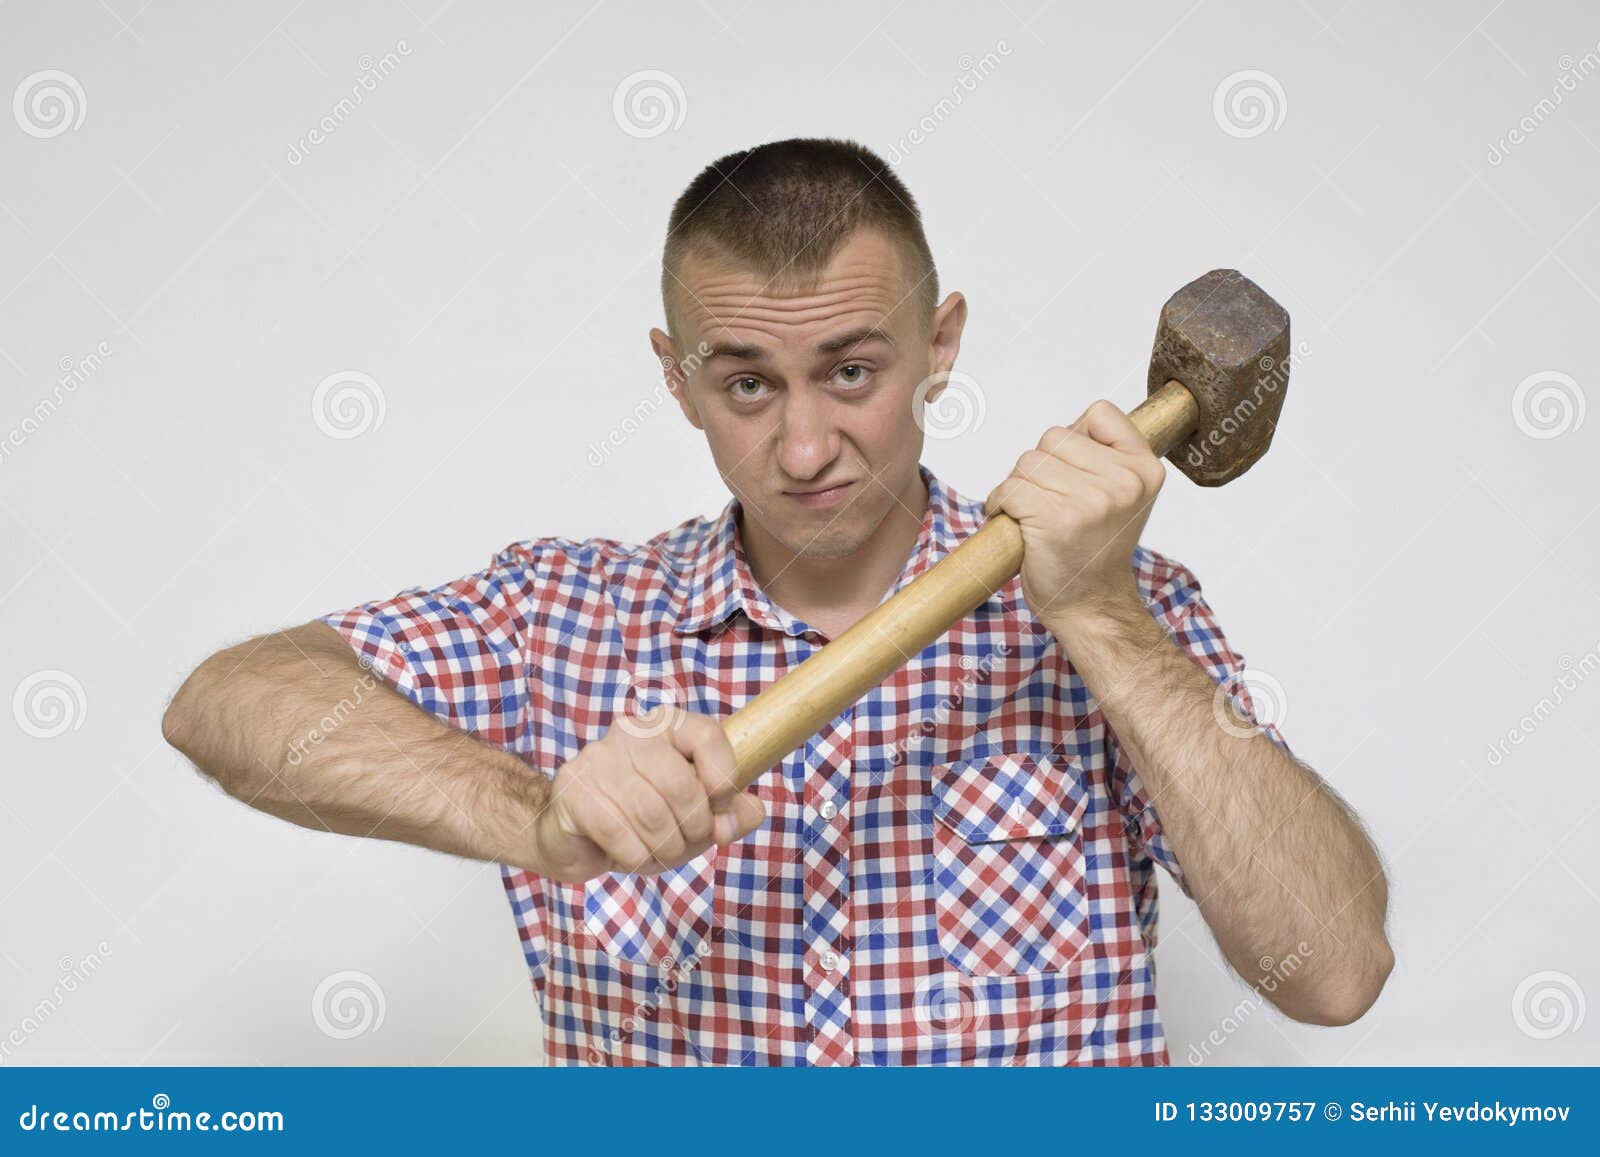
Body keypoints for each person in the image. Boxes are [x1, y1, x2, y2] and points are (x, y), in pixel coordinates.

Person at [163, 136, 1393, 1066]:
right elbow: (227, 703)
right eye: (746, 383)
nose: (806, 447)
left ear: (940, 343)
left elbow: (1332, 970)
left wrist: (1103, 619)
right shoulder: (559, 616)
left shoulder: (1123, 610)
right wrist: (530, 809)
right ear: (676, 376)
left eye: (851, 371)